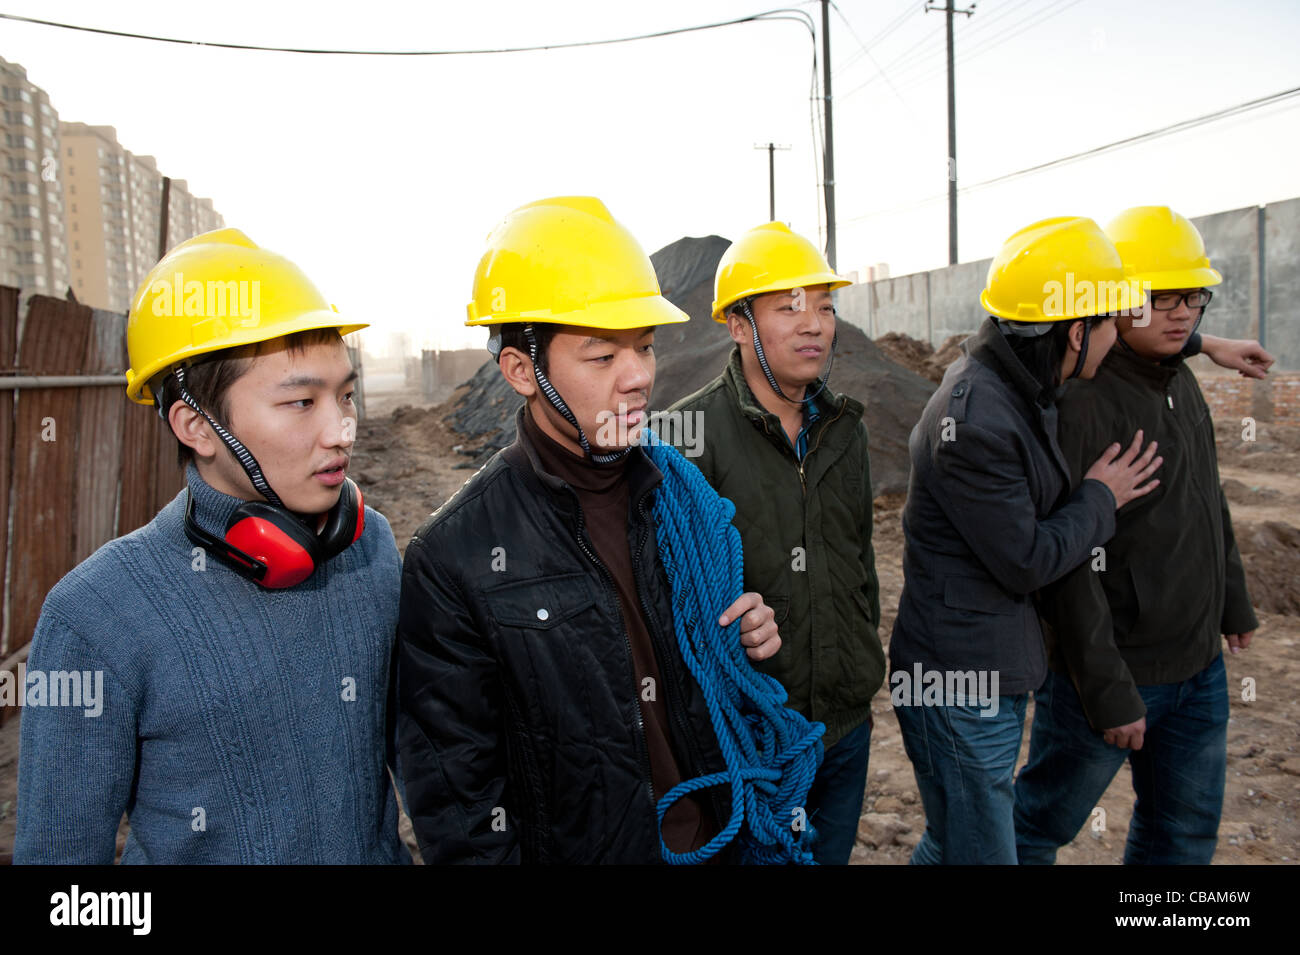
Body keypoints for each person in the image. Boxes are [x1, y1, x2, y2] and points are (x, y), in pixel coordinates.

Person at [395, 197, 785, 864]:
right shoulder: (452, 557)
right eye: (602, 355)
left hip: (718, 845)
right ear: (522, 370)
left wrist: (743, 639)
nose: (638, 376)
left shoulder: (679, 500)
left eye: (645, 347)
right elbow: (462, 814)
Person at [14, 228, 408, 864]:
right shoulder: (95, 615)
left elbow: (422, 764)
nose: (342, 431)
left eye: (346, 395)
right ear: (196, 424)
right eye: (302, 401)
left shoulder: (371, 549)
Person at [888, 216, 1166, 865]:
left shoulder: (1018, 377)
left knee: (954, 839)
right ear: (1075, 332)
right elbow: (1028, 560)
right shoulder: (979, 418)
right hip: (960, 687)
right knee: (984, 850)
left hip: (984, 671)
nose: (1118, 335)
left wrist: (1207, 342)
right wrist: (1101, 496)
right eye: (1109, 324)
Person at [1014, 206, 1259, 865]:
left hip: (1198, 668)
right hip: (1111, 676)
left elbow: (1209, 504)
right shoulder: (1084, 400)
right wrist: (1109, 690)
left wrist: (1231, 603)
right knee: (1035, 829)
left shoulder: (1179, 380)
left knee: (1180, 839)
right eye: (1161, 297)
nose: (1182, 313)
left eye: (1193, 297)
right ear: (1115, 300)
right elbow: (1068, 569)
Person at [665, 222, 882, 864]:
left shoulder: (846, 429)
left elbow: (862, 562)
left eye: (824, 306)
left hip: (843, 727)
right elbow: (671, 607)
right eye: (788, 307)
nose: (813, 324)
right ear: (738, 325)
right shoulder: (687, 437)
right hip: (751, 738)